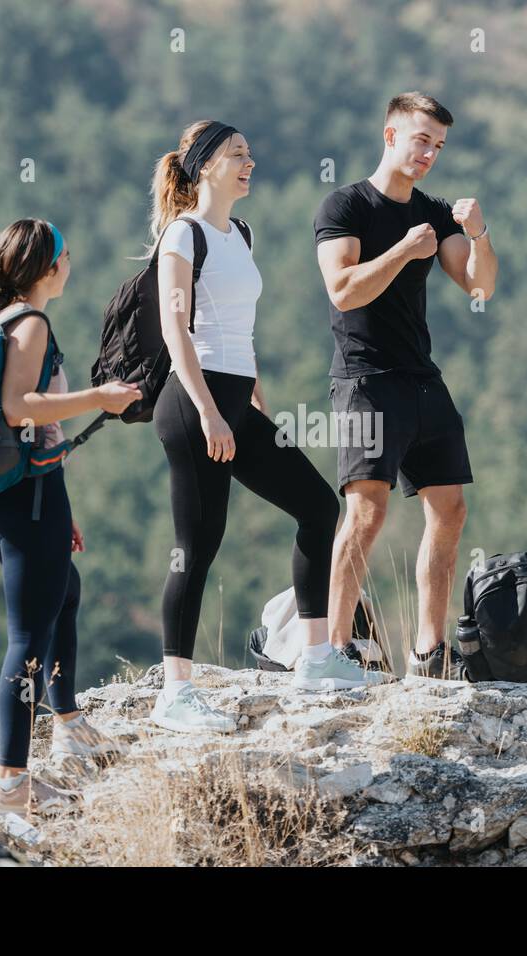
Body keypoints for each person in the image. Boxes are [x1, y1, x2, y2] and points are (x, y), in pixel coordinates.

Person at [149, 121, 383, 734]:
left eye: (251, 153)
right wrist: (206, 411)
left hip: (237, 402)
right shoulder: (183, 234)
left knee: (315, 506)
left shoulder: (240, 233)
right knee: (196, 546)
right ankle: (175, 691)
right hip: (192, 404)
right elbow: (178, 331)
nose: (249, 162)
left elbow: (239, 335)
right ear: (203, 167)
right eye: (236, 155)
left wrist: (255, 403)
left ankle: (314, 658)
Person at [0, 218, 143, 817]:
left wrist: (57, 515)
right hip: (26, 500)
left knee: (64, 589)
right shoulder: (31, 323)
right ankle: (12, 784)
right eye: (66, 255)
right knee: (26, 640)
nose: (71, 264)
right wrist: (100, 397)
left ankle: (66, 719)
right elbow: (19, 409)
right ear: (48, 267)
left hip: (0, 499)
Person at [313, 92, 498, 678]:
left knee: (451, 509)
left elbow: (478, 286)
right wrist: (401, 250)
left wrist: (480, 232)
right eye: (421, 140)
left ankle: (428, 652)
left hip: (421, 376)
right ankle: (333, 651)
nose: (429, 154)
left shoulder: (436, 212)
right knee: (366, 512)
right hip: (365, 377)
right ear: (390, 135)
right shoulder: (344, 205)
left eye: (438, 146)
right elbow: (343, 291)